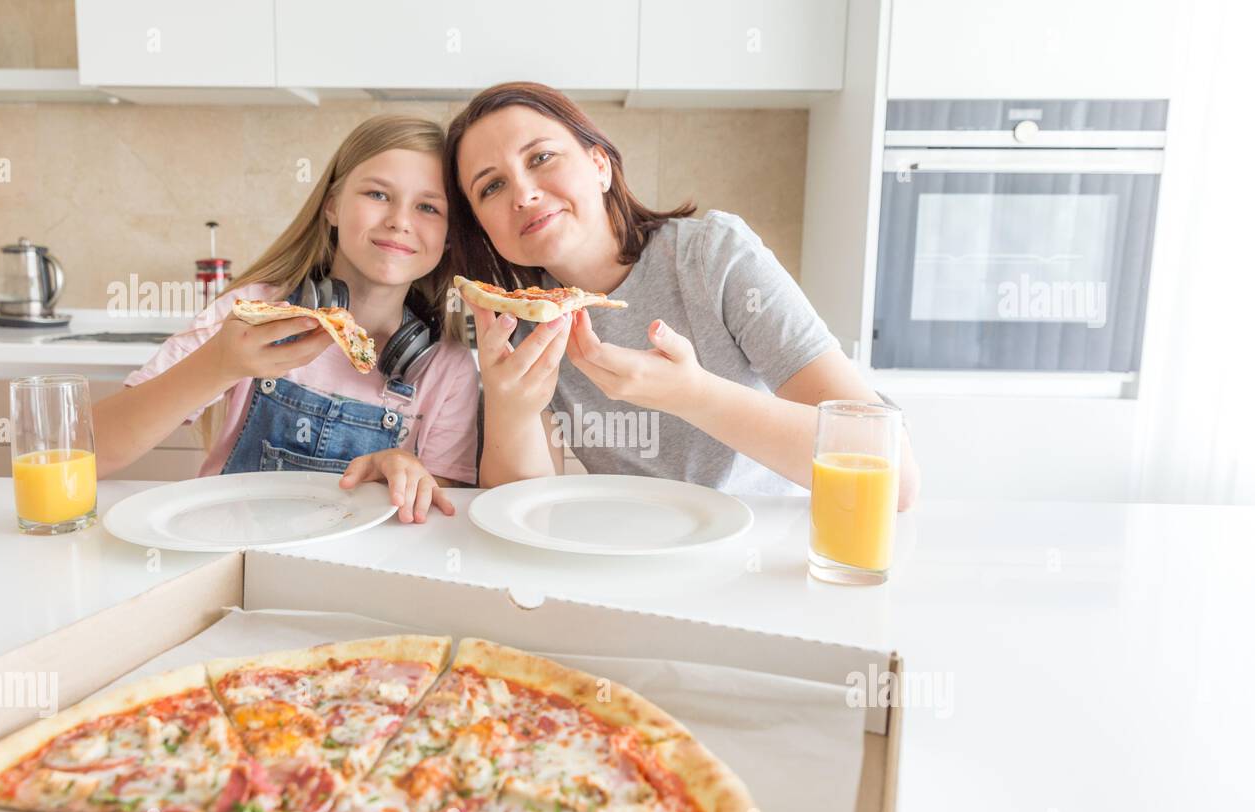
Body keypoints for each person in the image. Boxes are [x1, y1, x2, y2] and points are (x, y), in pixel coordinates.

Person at [443, 82, 919, 508]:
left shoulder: (714, 257)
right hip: (636, 565)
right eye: (492, 186)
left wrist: (694, 395)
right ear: (483, 228)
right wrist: (511, 410)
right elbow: (524, 512)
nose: (522, 194)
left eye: (541, 158)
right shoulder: (523, 321)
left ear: (599, 165)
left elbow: (893, 477)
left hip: (769, 567)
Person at [94, 115, 480, 523]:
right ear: (332, 205)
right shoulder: (249, 313)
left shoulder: (447, 370)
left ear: (450, 234)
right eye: (378, 194)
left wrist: (403, 469)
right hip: (229, 559)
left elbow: (442, 518)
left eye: (427, 207)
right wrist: (218, 364)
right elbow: (92, 452)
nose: (400, 220)